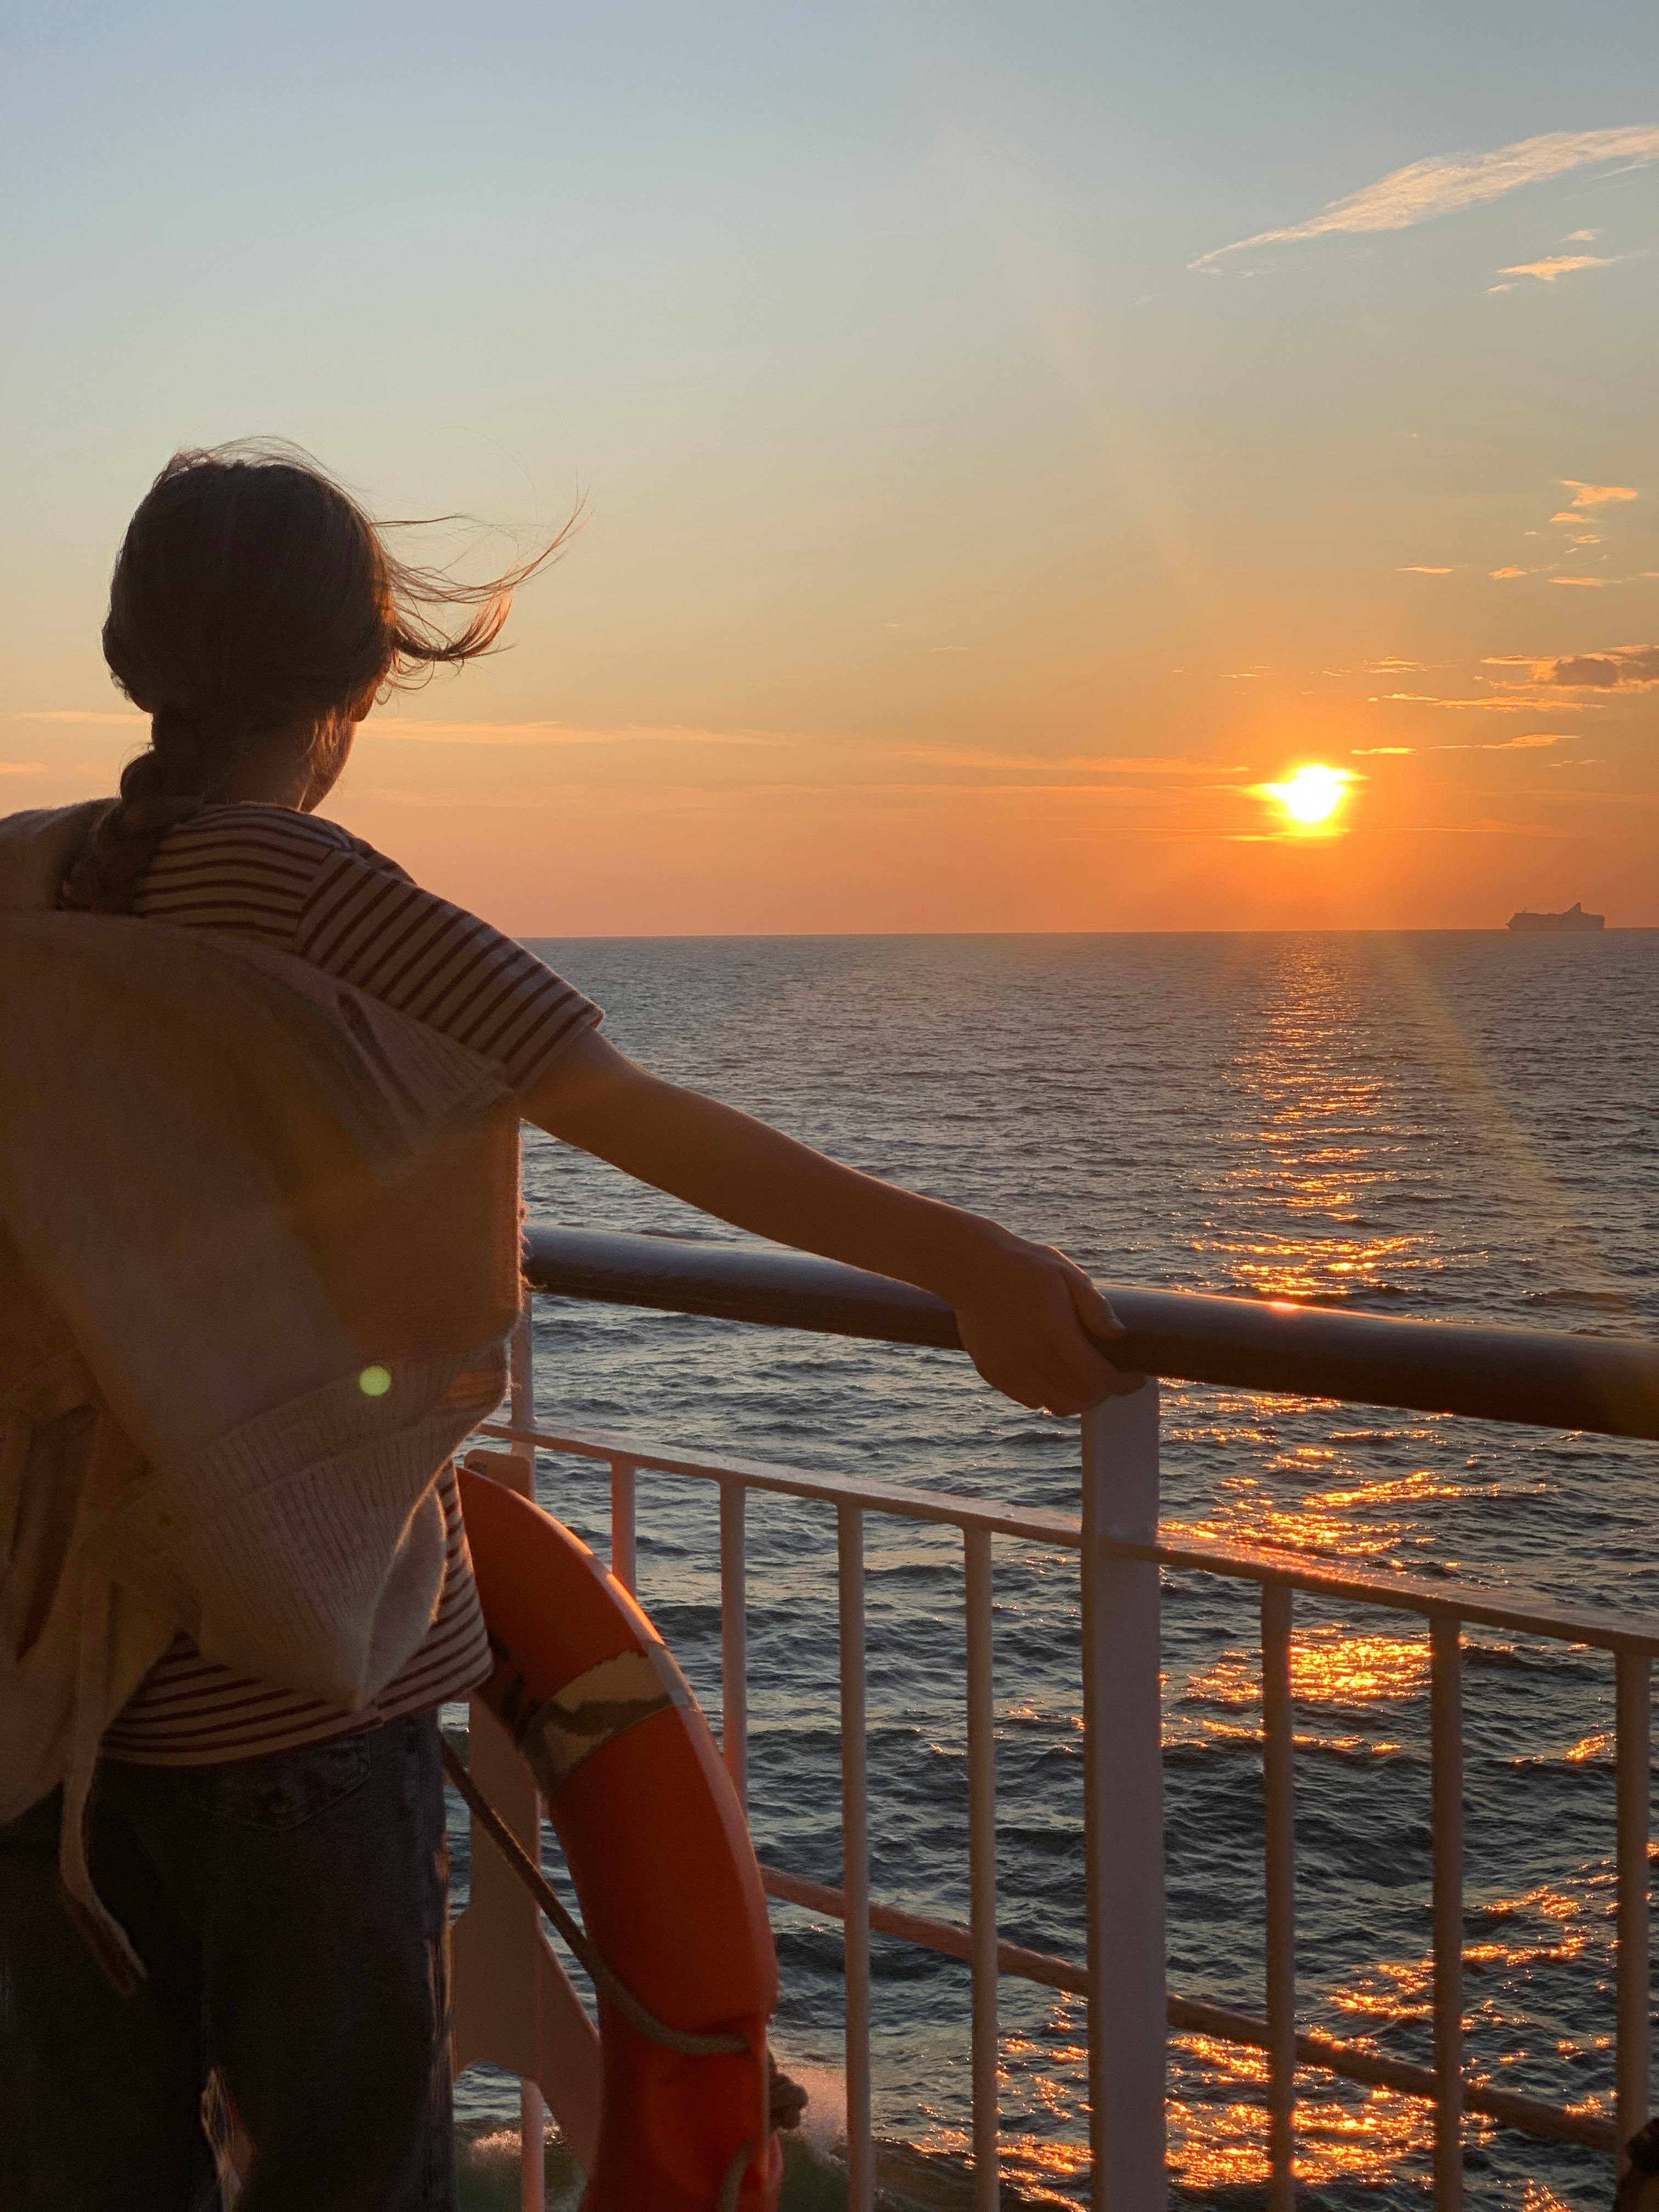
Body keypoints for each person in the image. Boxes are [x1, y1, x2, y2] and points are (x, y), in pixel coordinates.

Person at [0, 443, 1138, 2212]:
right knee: (350, 2169)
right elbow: (651, 1121)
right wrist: (972, 1263)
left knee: (80, 2166)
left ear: (123, 649)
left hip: (35, 1702)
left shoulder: (19, 887)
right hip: (303, 1694)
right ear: (365, 678)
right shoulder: (345, 909)